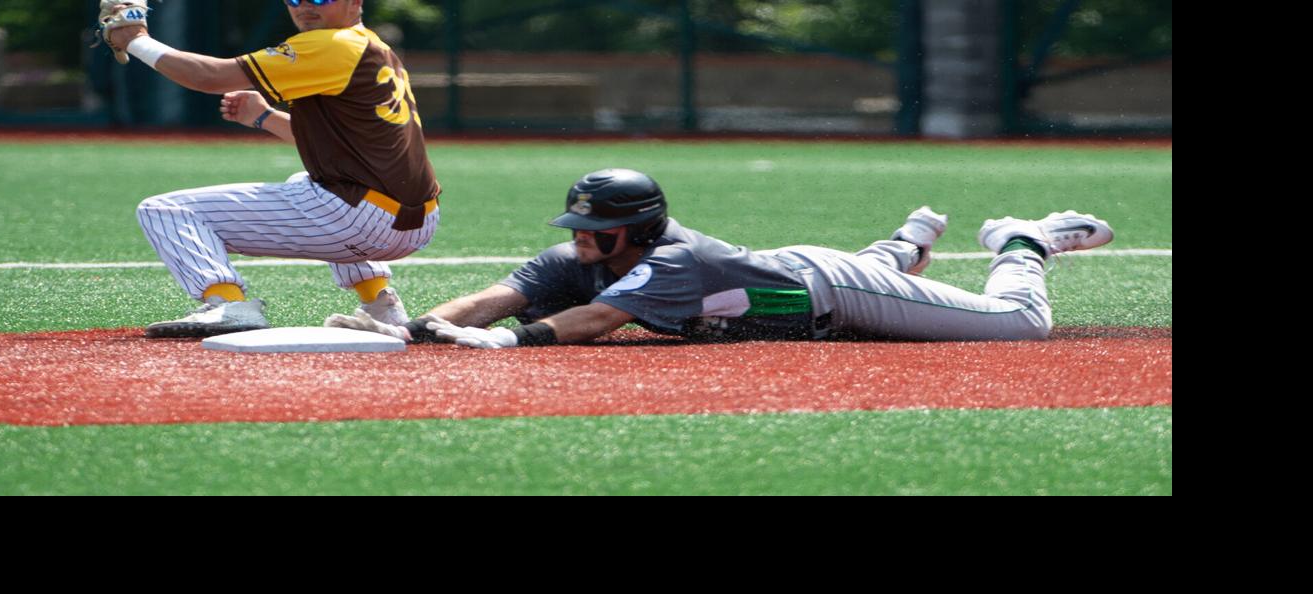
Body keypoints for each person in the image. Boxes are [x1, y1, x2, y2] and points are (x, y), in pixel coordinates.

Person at [326, 168, 1112, 349]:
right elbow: (496, 295)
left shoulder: (672, 259)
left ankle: (1026, 238)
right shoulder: (575, 253)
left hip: (834, 291)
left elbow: (597, 318)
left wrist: (505, 344)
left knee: (1018, 326)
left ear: (635, 231)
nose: (577, 238)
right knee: (879, 266)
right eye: (575, 225)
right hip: (790, 272)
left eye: (592, 228)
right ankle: (905, 244)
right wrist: (419, 331)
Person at [99, 0, 440, 338]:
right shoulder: (372, 46)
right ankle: (381, 304)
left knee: (165, 210)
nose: (305, 5)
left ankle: (228, 304)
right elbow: (334, 141)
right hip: (417, 222)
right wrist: (265, 117)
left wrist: (135, 39)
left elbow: (209, 76)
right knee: (304, 179)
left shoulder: (330, 43)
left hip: (360, 220)